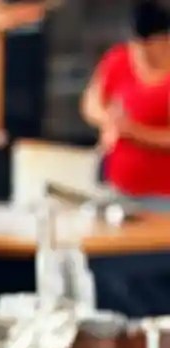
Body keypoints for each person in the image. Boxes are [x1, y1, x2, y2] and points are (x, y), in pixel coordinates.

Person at [83, 0, 170, 206]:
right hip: (118, 191)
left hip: (164, 197)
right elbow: (91, 104)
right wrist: (109, 120)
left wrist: (132, 131)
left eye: (150, 47)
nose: (142, 54)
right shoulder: (118, 59)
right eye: (137, 46)